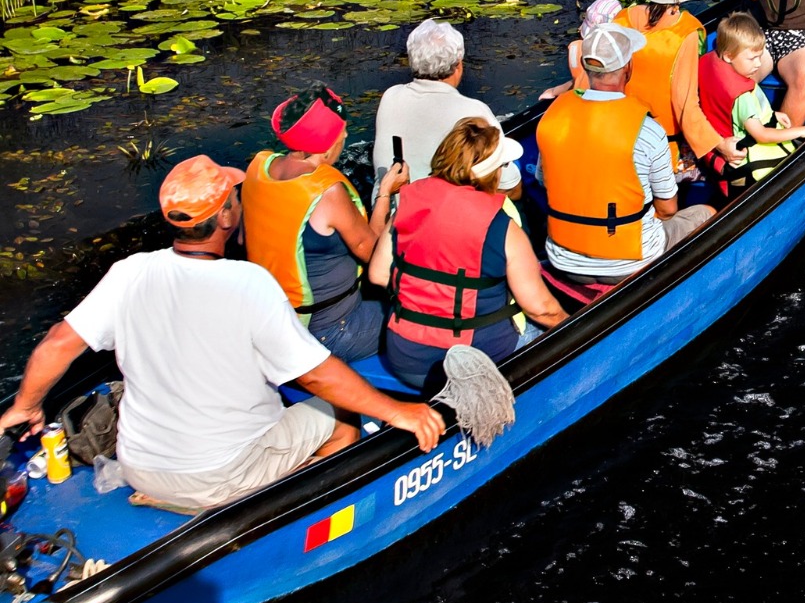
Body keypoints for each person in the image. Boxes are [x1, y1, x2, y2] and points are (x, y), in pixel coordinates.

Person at [0, 155, 444, 511]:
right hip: (219, 474)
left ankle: (210, 492)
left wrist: (26, 406)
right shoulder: (248, 283)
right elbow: (314, 375)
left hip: (139, 466)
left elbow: (58, 342)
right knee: (342, 418)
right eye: (234, 197)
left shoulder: (129, 272)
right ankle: (268, 505)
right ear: (227, 217)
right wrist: (397, 412)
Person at [369, 117, 569, 391]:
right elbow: (541, 309)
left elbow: (378, 274)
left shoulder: (408, 202)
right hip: (475, 363)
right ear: (491, 174)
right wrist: (573, 326)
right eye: (501, 166)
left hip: (406, 359)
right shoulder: (502, 226)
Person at [535, 24, 716, 283]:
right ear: (628, 68)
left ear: (585, 67)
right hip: (630, 261)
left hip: (565, 260)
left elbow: (544, 182)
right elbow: (667, 209)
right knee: (706, 214)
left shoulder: (552, 117)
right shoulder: (648, 129)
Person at [243, 84, 403, 362]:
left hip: (273, 321)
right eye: (342, 132)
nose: (346, 136)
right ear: (327, 145)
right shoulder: (327, 192)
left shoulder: (260, 167)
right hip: (330, 330)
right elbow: (374, 253)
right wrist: (386, 192)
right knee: (426, 310)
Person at [614, 0, 742, 176]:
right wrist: (720, 145)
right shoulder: (687, 32)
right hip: (665, 149)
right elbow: (685, 104)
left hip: (620, 136)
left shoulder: (622, 18)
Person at [373, 18, 520, 201]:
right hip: (439, 215)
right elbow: (510, 188)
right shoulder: (475, 112)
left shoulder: (390, 97)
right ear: (458, 65)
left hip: (386, 209)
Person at [699, 12, 805, 192]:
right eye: (752, 58)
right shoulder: (742, 96)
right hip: (745, 164)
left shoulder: (711, 65)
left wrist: (772, 114)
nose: (758, 64)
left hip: (723, 144)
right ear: (729, 56)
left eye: (760, 57)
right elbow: (761, 135)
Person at [537, 0, 622, 102]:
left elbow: (580, 81)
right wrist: (554, 91)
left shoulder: (583, 54)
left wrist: (553, 92)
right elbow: (580, 80)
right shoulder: (626, 55)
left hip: (588, 106)